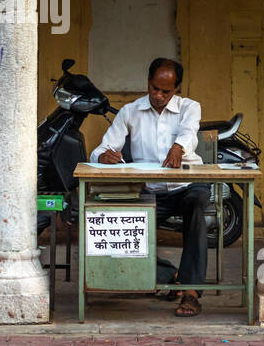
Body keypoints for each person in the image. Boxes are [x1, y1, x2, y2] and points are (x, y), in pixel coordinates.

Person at [89, 57, 208, 317]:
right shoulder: (130, 112)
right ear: (148, 83)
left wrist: (178, 147)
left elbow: (189, 133)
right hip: (149, 191)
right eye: (155, 88)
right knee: (118, 231)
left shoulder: (190, 107)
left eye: (166, 91)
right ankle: (173, 275)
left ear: (177, 89)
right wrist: (102, 157)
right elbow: (103, 147)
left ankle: (191, 292)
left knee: (198, 203)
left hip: (186, 187)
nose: (158, 95)